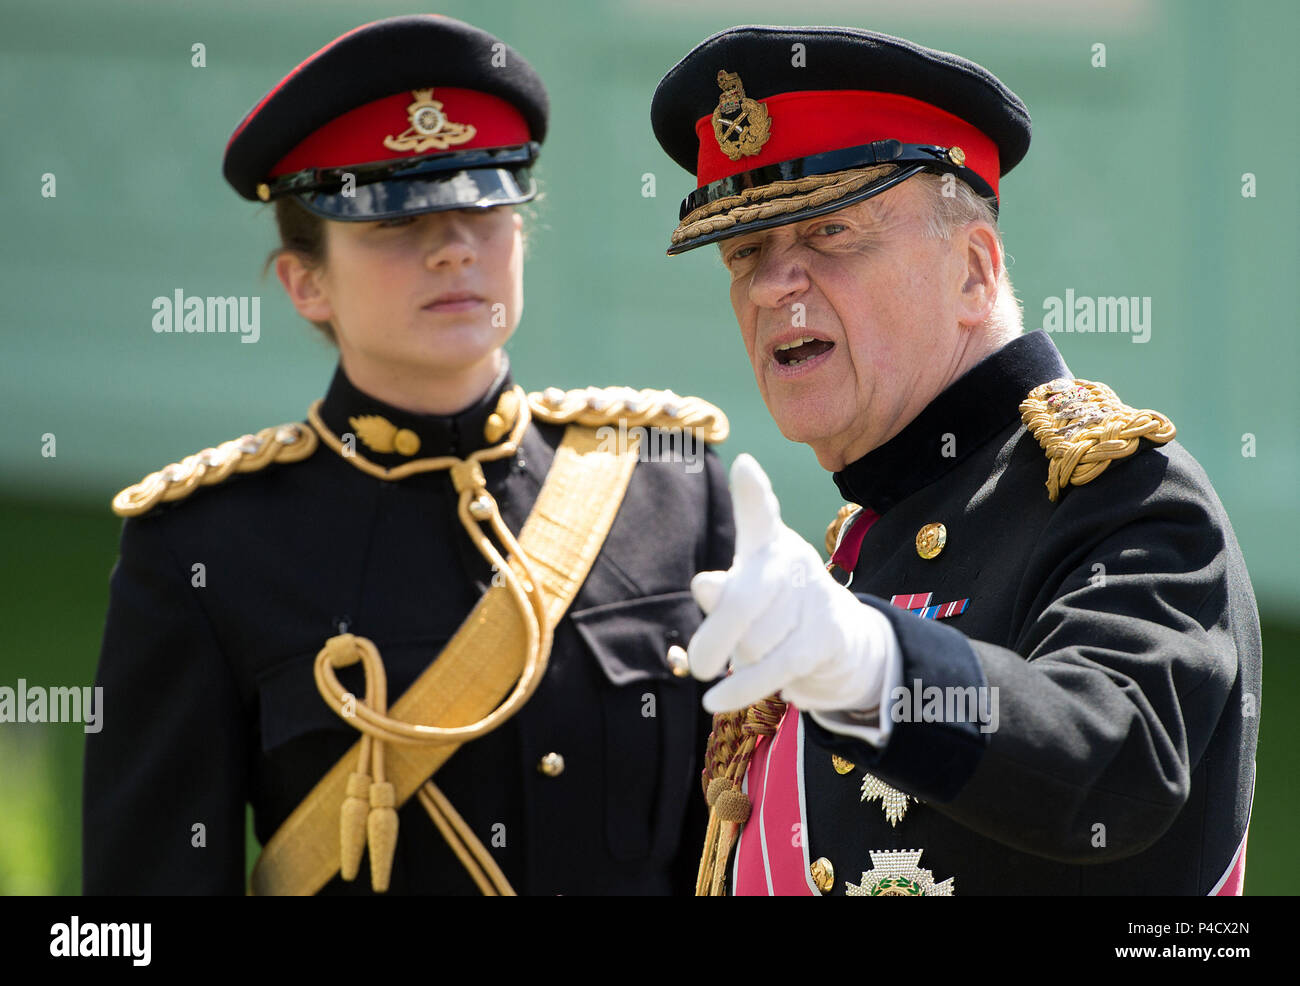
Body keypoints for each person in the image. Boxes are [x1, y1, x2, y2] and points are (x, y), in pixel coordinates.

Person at [84, 14, 734, 896]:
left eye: (483, 206)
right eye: (395, 222)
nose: (454, 246)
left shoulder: (667, 484)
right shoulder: (204, 547)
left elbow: (736, 836)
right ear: (304, 282)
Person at [650, 25, 1260, 896]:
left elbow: (1113, 764)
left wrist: (870, 663)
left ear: (975, 272)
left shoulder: (1125, 495)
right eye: (746, 251)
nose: (771, 285)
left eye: (830, 232)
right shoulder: (867, 533)